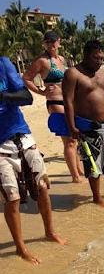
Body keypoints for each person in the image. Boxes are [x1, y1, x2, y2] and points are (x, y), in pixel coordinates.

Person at [0, 56, 66, 265]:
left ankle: (49, 232)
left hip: (22, 135)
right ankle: (20, 248)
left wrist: (2, 96)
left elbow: (25, 97)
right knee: (12, 198)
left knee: (43, 186)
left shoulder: (3, 64)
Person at [62, 40, 104, 207]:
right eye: (95, 58)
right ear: (85, 55)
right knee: (93, 163)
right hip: (88, 126)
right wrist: (72, 127)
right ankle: (96, 197)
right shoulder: (73, 74)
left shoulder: (102, 74)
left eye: (101, 58)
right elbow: (68, 101)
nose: (99, 62)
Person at [23, 31, 83, 183]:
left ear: (59, 42)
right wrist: (41, 92)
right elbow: (26, 78)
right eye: (47, 42)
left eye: (52, 41)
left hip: (69, 101)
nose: (50, 44)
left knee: (74, 139)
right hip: (55, 102)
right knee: (69, 140)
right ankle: (75, 177)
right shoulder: (42, 61)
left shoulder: (62, 59)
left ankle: (79, 170)